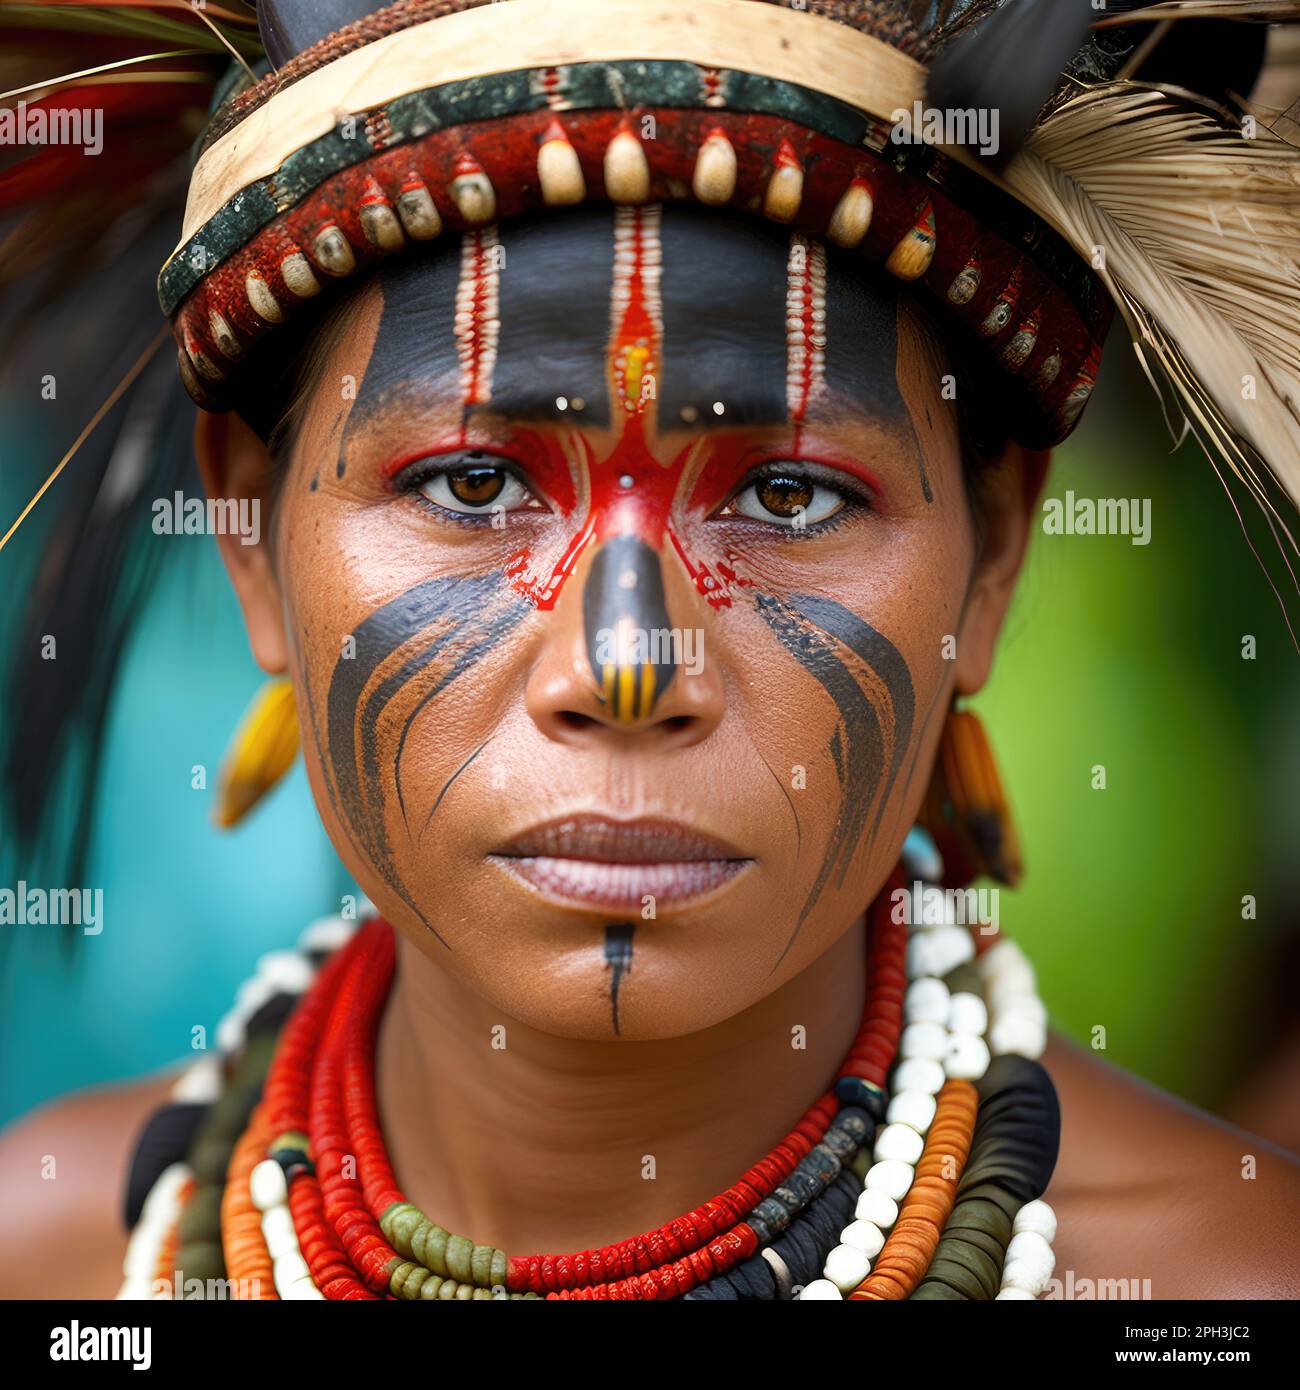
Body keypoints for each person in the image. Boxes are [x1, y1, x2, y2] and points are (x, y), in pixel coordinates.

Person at [1, 0, 1298, 1302]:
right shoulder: (52, 1261)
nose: (625, 667)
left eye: (790, 495)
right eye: (468, 484)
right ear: (248, 532)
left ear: (995, 551)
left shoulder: (1222, 1287)